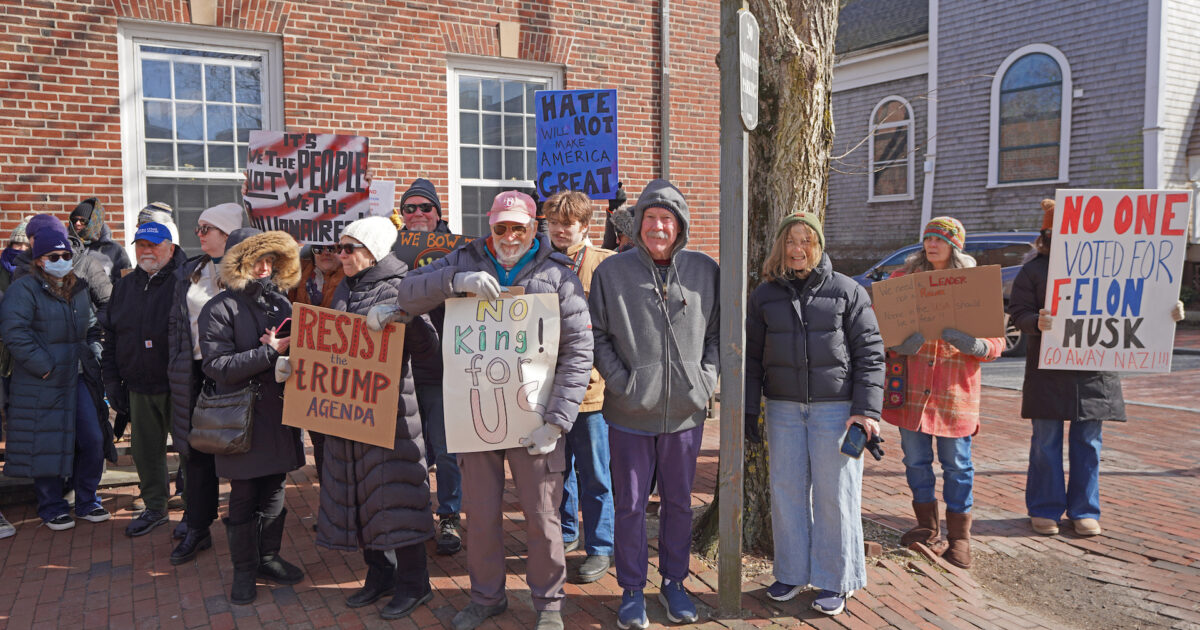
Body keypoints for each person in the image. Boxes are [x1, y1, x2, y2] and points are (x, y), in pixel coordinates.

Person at [392, 190, 592, 630]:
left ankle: (549, 603)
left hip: (533, 415)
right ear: (491, 225)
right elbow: (407, 292)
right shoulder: (465, 260)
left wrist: (558, 421)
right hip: (476, 411)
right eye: (501, 227)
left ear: (532, 226)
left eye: (518, 227)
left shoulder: (558, 274)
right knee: (480, 515)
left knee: (542, 516)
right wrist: (454, 283)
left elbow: (579, 350)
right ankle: (486, 596)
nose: (509, 236)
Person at [282, 216, 439, 619]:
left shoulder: (401, 289)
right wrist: (294, 363)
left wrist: (405, 319)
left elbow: (429, 353)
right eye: (339, 247)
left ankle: (414, 582)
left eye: (349, 249)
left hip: (389, 417)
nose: (340, 255)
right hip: (347, 416)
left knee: (396, 498)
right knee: (358, 496)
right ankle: (379, 573)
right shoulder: (345, 288)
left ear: (373, 251)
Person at [1008, 199, 1187, 537]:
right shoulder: (1034, 271)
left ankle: (1084, 510)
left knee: (1088, 443)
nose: (1064, 236)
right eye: (1055, 231)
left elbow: (1146, 299)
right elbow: (1018, 313)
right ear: (1045, 235)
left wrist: (1170, 311)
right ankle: (1044, 509)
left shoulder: (1114, 266)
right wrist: (1037, 321)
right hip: (1048, 370)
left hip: (1095, 371)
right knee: (1045, 442)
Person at [588, 179, 719, 628]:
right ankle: (630, 590)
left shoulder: (705, 271)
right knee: (629, 505)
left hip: (685, 413)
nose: (658, 227)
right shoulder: (612, 272)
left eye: (667, 219)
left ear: (679, 226)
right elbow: (598, 336)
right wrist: (622, 383)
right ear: (638, 224)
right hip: (629, 415)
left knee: (680, 503)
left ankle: (674, 583)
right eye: (651, 218)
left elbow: (718, 334)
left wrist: (705, 379)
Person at [744, 211, 885, 615]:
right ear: (781, 247)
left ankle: (836, 579)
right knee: (786, 493)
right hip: (784, 409)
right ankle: (790, 571)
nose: (797, 249)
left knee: (835, 496)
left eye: (806, 241)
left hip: (836, 411)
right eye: (790, 241)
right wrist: (750, 409)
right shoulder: (765, 295)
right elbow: (752, 358)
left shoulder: (847, 291)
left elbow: (871, 354)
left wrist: (866, 411)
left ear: (819, 246)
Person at [880, 216, 1003, 570]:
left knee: (958, 465)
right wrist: (899, 345)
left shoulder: (973, 286)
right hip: (912, 391)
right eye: (928, 239)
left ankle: (960, 537)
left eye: (941, 240)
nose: (932, 245)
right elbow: (880, 332)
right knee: (915, 461)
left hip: (955, 393)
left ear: (955, 246)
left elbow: (997, 344)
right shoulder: (902, 282)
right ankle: (926, 525)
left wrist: (975, 344)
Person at [198, 228, 306, 604]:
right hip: (239, 419)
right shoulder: (219, 308)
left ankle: (269, 557)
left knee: (275, 489)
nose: (263, 268)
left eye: (269, 260)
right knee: (244, 494)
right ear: (236, 262)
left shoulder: (282, 303)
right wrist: (268, 354)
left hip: (278, 413)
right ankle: (244, 569)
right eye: (255, 260)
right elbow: (216, 366)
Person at [0, 223, 116, 531]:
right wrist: (45, 365)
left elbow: (92, 327)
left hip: (77, 376)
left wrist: (92, 353)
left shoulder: (77, 287)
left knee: (92, 438)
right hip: (43, 379)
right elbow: (15, 332)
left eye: (65, 254)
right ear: (39, 259)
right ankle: (51, 506)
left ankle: (87, 498)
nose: (61, 260)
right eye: (53, 256)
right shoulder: (23, 289)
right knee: (48, 442)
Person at [543, 190, 616, 583]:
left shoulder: (605, 266)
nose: (559, 229)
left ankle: (601, 545)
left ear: (585, 226)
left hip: (591, 393)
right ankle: (568, 532)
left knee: (595, 473)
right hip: (548, 390)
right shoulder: (537, 263)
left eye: (567, 223)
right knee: (559, 471)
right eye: (553, 222)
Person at [167, 202, 244, 564]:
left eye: (206, 229)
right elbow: (176, 324)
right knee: (195, 451)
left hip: (233, 372)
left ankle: (249, 530)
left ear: (227, 234)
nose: (198, 235)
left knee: (239, 447)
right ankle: (198, 526)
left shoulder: (247, 272)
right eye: (197, 228)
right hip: (194, 371)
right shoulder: (190, 272)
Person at [394, 177, 463, 555]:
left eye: (425, 207)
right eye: (410, 208)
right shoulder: (389, 250)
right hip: (399, 367)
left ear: (438, 214)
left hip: (442, 366)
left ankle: (449, 515)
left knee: (446, 447)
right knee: (408, 449)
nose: (418, 214)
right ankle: (413, 513)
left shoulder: (459, 252)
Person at [101, 222, 181, 537]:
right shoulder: (123, 287)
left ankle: (194, 508)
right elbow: (111, 337)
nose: (147, 251)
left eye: (154, 245)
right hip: (137, 384)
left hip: (177, 384)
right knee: (146, 453)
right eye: (141, 245)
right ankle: (155, 507)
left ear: (170, 248)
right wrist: (112, 382)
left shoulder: (183, 282)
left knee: (193, 452)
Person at [286, 237, 345, 486]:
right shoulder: (299, 273)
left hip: (342, 364)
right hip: (310, 365)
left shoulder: (351, 274)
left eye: (332, 247)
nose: (325, 253)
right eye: (319, 248)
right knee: (318, 433)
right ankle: (328, 493)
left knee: (340, 436)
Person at [69, 197, 131, 282]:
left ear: (94, 222)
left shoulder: (115, 250)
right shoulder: (65, 247)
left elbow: (126, 283)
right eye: (74, 220)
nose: (77, 223)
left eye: (83, 221)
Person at [0, 216, 31, 292]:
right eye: (18, 244)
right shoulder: (1, 265)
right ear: (11, 245)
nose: (22, 249)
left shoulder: (37, 267)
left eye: (27, 245)